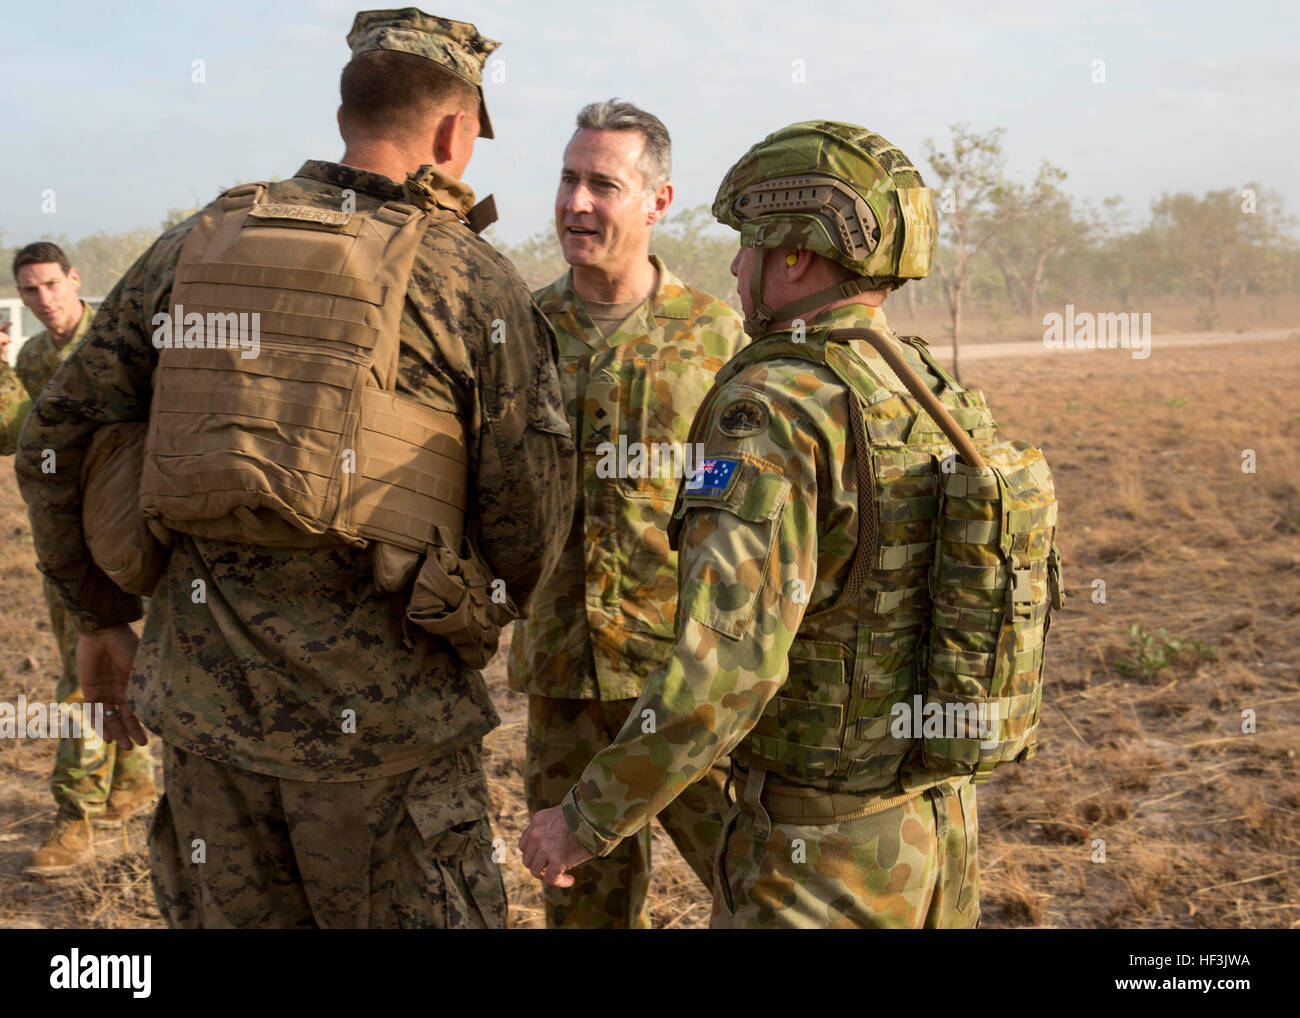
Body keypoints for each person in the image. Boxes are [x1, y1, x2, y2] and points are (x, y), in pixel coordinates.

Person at [16, 8, 574, 928]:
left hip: (207, 736)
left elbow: (53, 441)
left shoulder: (196, 247)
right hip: (390, 747)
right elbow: (526, 525)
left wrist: (97, 618)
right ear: (452, 131)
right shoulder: (471, 280)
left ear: (348, 109)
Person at [521, 121, 1016, 928]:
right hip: (932, 828)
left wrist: (583, 820)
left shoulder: (775, 403)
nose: (734, 263)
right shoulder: (927, 388)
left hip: (814, 849)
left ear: (794, 254)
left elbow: (731, 667)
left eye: (749, 243)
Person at [507, 99, 746, 928]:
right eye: (568, 180)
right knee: (584, 916)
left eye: (602, 184)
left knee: (756, 889)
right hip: (563, 685)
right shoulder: (521, 332)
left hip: (680, 687)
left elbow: (755, 516)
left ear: (658, 200)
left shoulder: (717, 338)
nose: (576, 202)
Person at [2, 243, 157, 877]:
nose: (43, 301)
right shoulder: (37, 357)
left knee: (83, 675)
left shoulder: (119, 338)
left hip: (129, 525)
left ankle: (76, 814)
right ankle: (130, 781)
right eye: (29, 291)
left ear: (75, 280)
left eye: (50, 286)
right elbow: (19, 436)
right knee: (86, 656)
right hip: (67, 534)